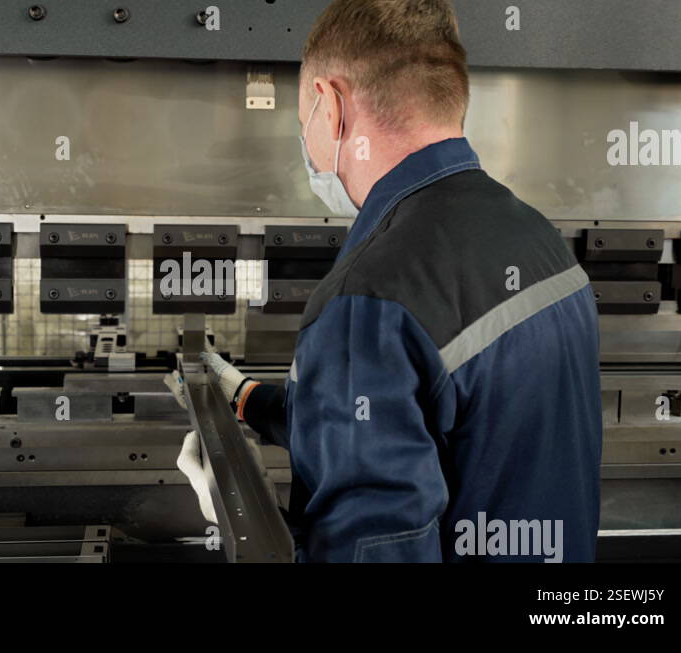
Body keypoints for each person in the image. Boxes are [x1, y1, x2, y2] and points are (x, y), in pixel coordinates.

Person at [177, 0, 603, 562]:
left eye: (303, 120)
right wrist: (247, 398)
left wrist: (239, 506)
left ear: (329, 107)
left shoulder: (368, 297)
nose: (307, 142)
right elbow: (417, 419)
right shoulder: (536, 237)